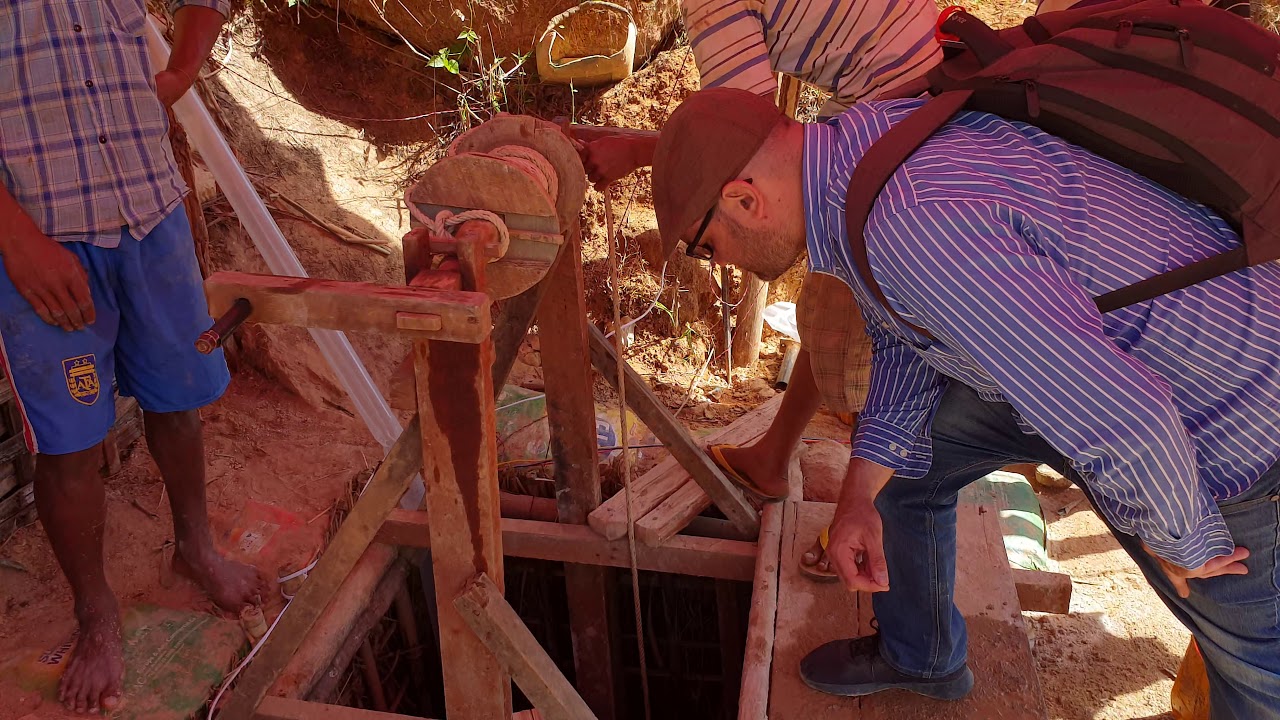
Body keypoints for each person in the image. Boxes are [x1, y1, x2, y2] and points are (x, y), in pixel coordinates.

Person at [648, 87, 1280, 716]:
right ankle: (920, 655)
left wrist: (1180, 540)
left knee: (1256, 670)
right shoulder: (859, 154)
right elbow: (905, 337)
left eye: (707, 248)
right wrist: (859, 496)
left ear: (743, 199)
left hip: (1229, 406)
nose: (723, 266)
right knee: (911, 464)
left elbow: (1126, 419)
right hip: (1086, 365)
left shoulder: (910, 225)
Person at [0, 1, 266, 713]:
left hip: (151, 212)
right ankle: (97, 614)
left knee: (178, 401)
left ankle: (196, 549)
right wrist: (16, 238)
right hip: (45, 236)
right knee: (71, 442)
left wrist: (182, 68)